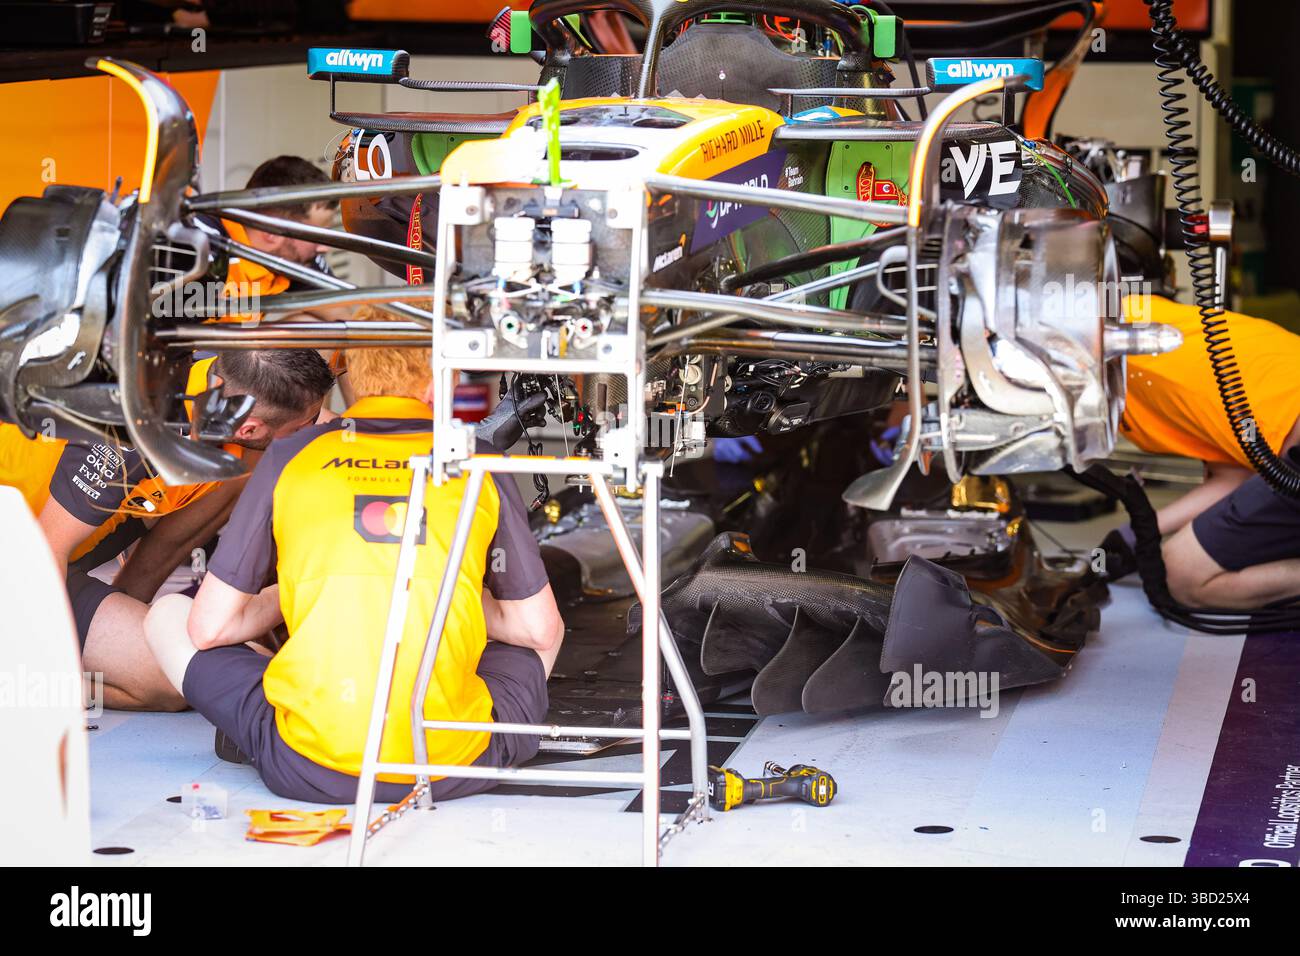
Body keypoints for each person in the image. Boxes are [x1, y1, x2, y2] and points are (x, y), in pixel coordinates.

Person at [143, 305, 565, 804]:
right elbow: (539, 631)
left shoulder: (289, 455)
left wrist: (319, 584)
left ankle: (276, 724)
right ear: (436, 386)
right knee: (537, 630)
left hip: (309, 768)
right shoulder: (475, 460)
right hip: (455, 766)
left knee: (168, 615)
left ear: (347, 381)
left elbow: (208, 629)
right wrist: (443, 594)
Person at [0, 348, 335, 709]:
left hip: (54, 557)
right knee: (177, 679)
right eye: (305, 424)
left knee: (184, 678)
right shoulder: (130, 430)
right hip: (27, 564)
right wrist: (43, 671)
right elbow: (47, 551)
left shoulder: (217, 380)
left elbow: (328, 427)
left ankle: (108, 625)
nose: (312, 427)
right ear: (249, 427)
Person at [1104, 293, 1300, 608]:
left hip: (1294, 449)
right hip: (1286, 463)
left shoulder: (1122, 336)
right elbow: (1235, 474)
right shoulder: (1129, 318)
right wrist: (1133, 535)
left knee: (1182, 574)